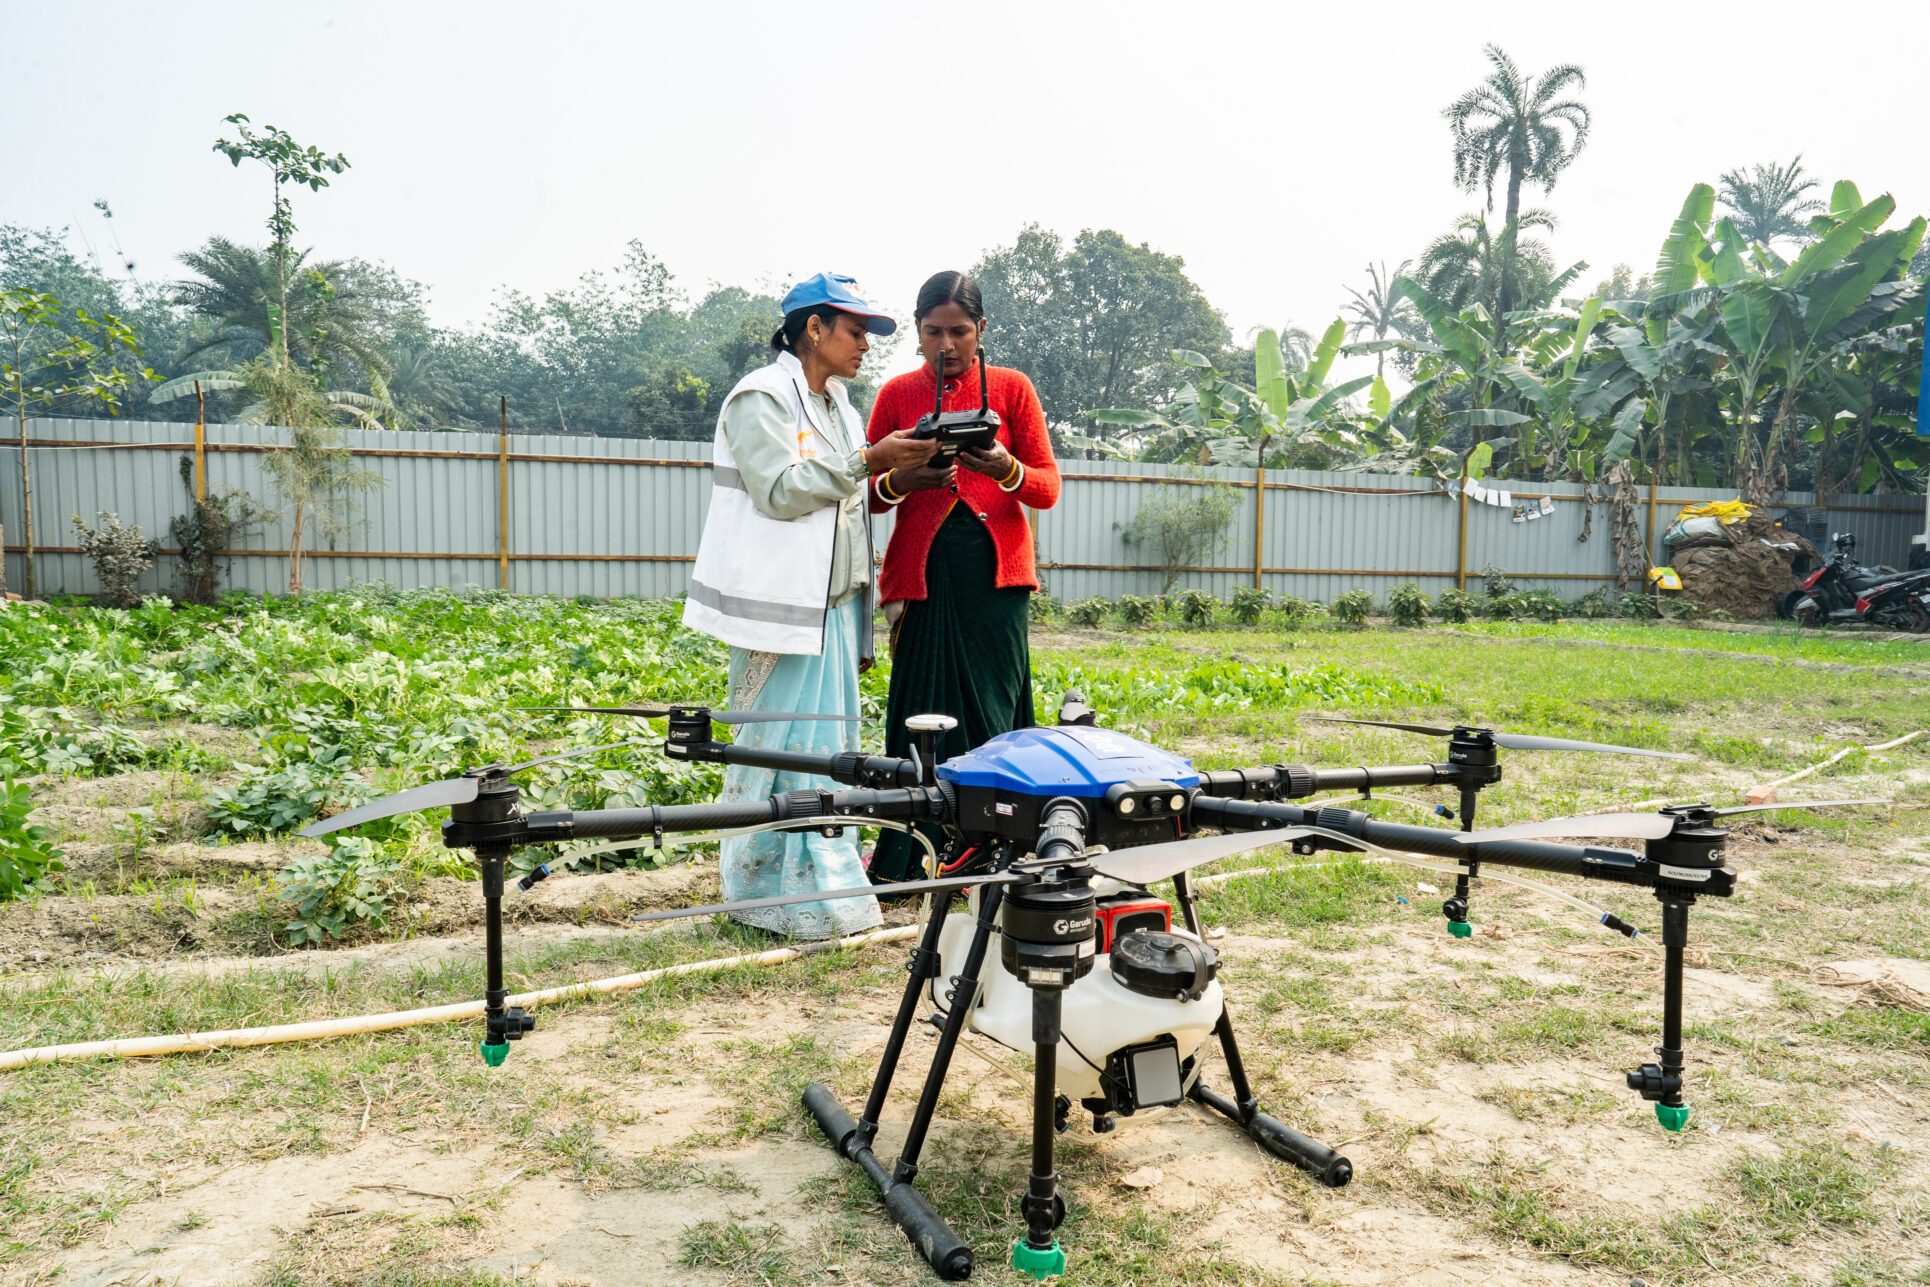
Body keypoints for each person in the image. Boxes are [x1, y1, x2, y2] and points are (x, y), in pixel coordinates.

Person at [683, 272, 940, 937]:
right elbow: (779, 490)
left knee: (830, 750)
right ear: (814, 328)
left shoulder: (840, 407)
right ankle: (760, 892)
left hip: (832, 605)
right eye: (855, 331)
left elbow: (847, 496)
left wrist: (896, 475)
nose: (864, 345)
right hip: (780, 608)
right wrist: (866, 460)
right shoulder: (760, 398)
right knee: (775, 748)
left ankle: (823, 890)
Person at [864, 270, 1061, 885]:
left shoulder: (1013, 389)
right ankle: (909, 856)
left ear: (981, 330)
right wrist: (903, 480)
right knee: (918, 717)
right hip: (921, 580)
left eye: (959, 331)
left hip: (996, 581)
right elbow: (862, 492)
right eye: (931, 332)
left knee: (996, 711)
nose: (946, 346)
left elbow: (1048, 488)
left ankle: (998, 846)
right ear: (917, 333)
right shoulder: (897, 394)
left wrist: (1004, 467)